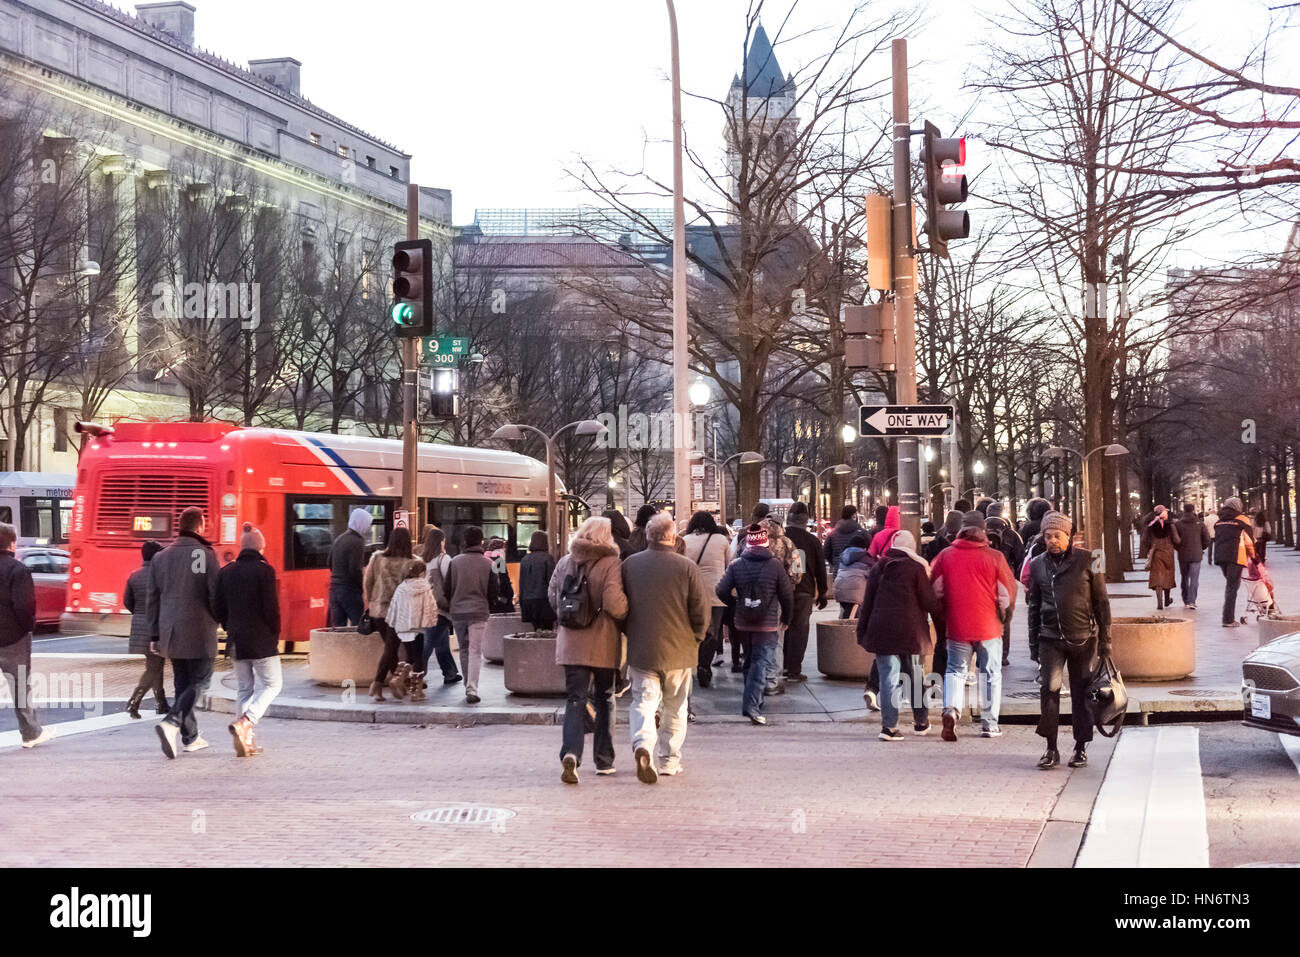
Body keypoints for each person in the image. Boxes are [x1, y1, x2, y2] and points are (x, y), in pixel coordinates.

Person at [621, 513, 708, 783]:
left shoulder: (629, 565)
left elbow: (621, 607)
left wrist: (629, 633)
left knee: (643, 703)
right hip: (679, 650)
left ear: (648, 536)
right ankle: (669, 759)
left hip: (642, 648)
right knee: (675, 707)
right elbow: (700, 611)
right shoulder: (686, 567)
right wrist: (696, 637)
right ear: (673, 536)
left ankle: (643, 744)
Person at [1026, 511, 1112, 770]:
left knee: (1081, 694)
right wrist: (1033, 644)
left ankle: (1080, 747)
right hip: (1049, 639)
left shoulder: (1092, 559)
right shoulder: (1037, 564)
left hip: (1083, 639)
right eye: (1048, 536)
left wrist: (1106, 639)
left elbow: (1102, 602)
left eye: (1058, 536)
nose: (1052, 540)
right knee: (1049, 692)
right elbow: (1034, 605)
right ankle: (1050, 748)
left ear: (1069, 536)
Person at [550, 516, 629, 784]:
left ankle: (570, 753)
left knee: (575, 699)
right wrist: (626, 613)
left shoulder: (565, 562)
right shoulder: (610, 563)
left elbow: (553, 596)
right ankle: (604, 761)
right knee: (605, 698)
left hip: (570, 642)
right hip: (603, 643)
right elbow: (614, 603)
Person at [930, 510, 1017, 741]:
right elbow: (1006, 595)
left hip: (958, 624)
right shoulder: (995, 557)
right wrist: (1004, 617)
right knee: (990, 674)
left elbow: (935, 590)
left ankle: (951, 710)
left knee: (955, 671)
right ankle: (990, 724)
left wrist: (943, 615)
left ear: (960, 530)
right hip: (989, 626)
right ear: (984, 531)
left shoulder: (945, 556)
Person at [148, 506, 219, 759]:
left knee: (182, 683)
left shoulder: (161, 556)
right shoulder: (201, 555)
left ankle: (190, 737)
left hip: (170, 632)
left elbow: (153, 600)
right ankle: (172, 722)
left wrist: (154, 634)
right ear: (199, 527)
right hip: (198, 630)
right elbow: (210, 592)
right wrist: (221, 619)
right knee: (201, 681)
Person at [857, 529, 939, 740]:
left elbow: (867, 604)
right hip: (910, 632)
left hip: (882, 630)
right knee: (914, 677)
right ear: (911, 547)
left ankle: (889, 727)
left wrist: (862, 630)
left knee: (888, 678)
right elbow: (929, 602)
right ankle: (921, 722)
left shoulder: (879, 567)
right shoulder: (916, 568)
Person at [213, 523, 282, 756]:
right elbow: (271, 608)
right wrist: (275, 633)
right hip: (262, 640)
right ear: (260, 548)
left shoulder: (226, 572)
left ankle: (246, 741)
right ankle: (246, 722)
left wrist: (229, 627)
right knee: (273, 684)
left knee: (244, 689)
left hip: (237, 640)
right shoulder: (265, 571)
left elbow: (217, 608)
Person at [716, 524, 793, 726]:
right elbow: (786, 595)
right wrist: (787, 618)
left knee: (750, 661)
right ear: (765, 543)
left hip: (743, 622)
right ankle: (752, 705)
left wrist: (736, 603)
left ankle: (755, 700)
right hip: (766, 623)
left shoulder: (736, 565)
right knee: (761, 663)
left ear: (748, 543)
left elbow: (721, 590)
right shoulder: (775, 565)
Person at [0, 521, 50, 749]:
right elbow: (23, 606)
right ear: (12, 543)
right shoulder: (18, 570)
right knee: (20, 687)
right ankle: (30, 734)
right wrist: (27, 627)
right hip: (13, 638)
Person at [363, 526, 418, 702]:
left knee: (391, 648)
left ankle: (394, 684)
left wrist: (373, 601)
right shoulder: (414, 562)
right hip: (400, 612)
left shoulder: (377, 558)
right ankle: (382, 683)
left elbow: (368, 583)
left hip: (379, 611)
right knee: (396, 649)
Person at [445, 525, 498, 703]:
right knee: (476, 651)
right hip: (479, 611)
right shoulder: (489, 564)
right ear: (481, 542)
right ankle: (472, 689)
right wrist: (489, 606)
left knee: (464, 649)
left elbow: (447, 589)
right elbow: (493, 591)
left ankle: (467, 684)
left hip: (458, 612)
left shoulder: (455, 562)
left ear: (465, 541)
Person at [680, 510, 731, 689]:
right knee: (714, 631)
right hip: (717, 591)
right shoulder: (721, 540)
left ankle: (694, 664)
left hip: (692, 593)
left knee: (693, 630)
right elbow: (730, 563)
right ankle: (704, 665)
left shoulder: (685, 541)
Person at [783, 501, 828, 681]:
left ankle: (782, 664)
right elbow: (820, 569)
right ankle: (793, 668)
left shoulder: (782, 538)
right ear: (806, 520)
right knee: (799, 630)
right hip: (804, 591)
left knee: (781, 629)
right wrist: (823, 591)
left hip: (781, 590)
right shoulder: (812, 541)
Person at [124, 540, 168, 720]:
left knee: (156, 665)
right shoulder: (161, 577)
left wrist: (139, 614)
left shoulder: (134, 576)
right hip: (156, 627)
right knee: (154, 668)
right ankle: (134, 701)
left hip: (139, 626)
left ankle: (161, 703)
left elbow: (127, 602)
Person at [386, 559, 439, 702]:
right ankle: (416, 691)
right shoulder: (425, 587)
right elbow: (431, 607)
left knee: (410, 655)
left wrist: (392, 623)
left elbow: (393, 607)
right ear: (422, 572)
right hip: (417, 627)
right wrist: (431, 622)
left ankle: (397, 678)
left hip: (402, 627)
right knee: (418, 658)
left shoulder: (401, 587)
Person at [419, 527, 462, 685]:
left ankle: (450, 673)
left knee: (441, 642)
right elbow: (450, 582)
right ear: (442, 541)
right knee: (429, 643)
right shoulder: (444, 559)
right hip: (439, 608)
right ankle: (416, 675)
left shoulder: (422, 559)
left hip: (425, 605)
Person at [985, 501, 1025, 666]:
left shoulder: (981, 530)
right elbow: (1020, 557)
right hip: (1005, 580)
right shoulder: (1012, 534)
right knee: (1005, 616)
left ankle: (985, 654)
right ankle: (1002, 655)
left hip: (984, 579)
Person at [1212, 497, 1255, 628]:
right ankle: (1228, 619)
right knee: (1232, 587)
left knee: (1232, 585)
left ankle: (1228, 617)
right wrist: (1254, 557)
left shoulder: (1219, 521)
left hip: (1220, 557)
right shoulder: (1242, 520)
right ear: (1238, 506)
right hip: (1236, 556)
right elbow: (1249, 540)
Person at [327, 507, 371, 627]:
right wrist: (361, 589)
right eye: (367, 524)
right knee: (358, 626)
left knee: (338, 628)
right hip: (349, 591)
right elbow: (355, 569)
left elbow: (329, 562)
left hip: (334, 589)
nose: (367, 528)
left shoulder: (339, 538)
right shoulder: (357, 541)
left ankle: (338, 646)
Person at [1142, 506, 1180, 611]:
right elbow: (1177, 540)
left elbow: (1144, 540)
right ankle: (1167, 599)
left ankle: (1159, 602)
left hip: (1156, 552)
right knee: (1168, 575)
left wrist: (1150, 546)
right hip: (1168, 553)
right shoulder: (1170, 525)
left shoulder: (1150, 525)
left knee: (1157, 576)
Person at [518, 531, 557, 630]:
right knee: (547, 630)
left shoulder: (524, 560)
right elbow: (552, 581)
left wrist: (521, 601)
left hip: (528, 601)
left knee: (535, 629)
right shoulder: (547, 559)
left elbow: (522, 582)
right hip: (544, 600)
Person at [1174, 504, 1210, 609]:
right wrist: (1200, 548)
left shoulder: (1179, 524)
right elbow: (1207, 539)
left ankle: (1185, 600)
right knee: (1194, 579)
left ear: (1184, 510)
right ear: (1193, 510)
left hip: (1183, 555)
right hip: (1196, 555)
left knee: (1184, 578)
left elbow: (1175, 540)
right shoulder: (1200, 523)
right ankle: (1192, 601)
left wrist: (1179, 548)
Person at [834, 532, 873, 618]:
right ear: (864, 547)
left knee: (847, 612)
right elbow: (874, 575)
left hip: (839, 589)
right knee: (855, 617)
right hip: (855, 592)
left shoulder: (843, 555)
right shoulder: (866, 557)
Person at [825, 505, 863, 572]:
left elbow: (826, 551)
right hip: (857, 572)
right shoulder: (861, 532)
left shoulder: (833, 533)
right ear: (854, 515)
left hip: (839, 570)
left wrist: (835, 561)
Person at [485, 536, 515, 613]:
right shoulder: (499, 561)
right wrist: (509, 595)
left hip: (488, 599)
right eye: (504, 548)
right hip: (500, 599)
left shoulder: (485, 560)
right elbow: (503, 580)